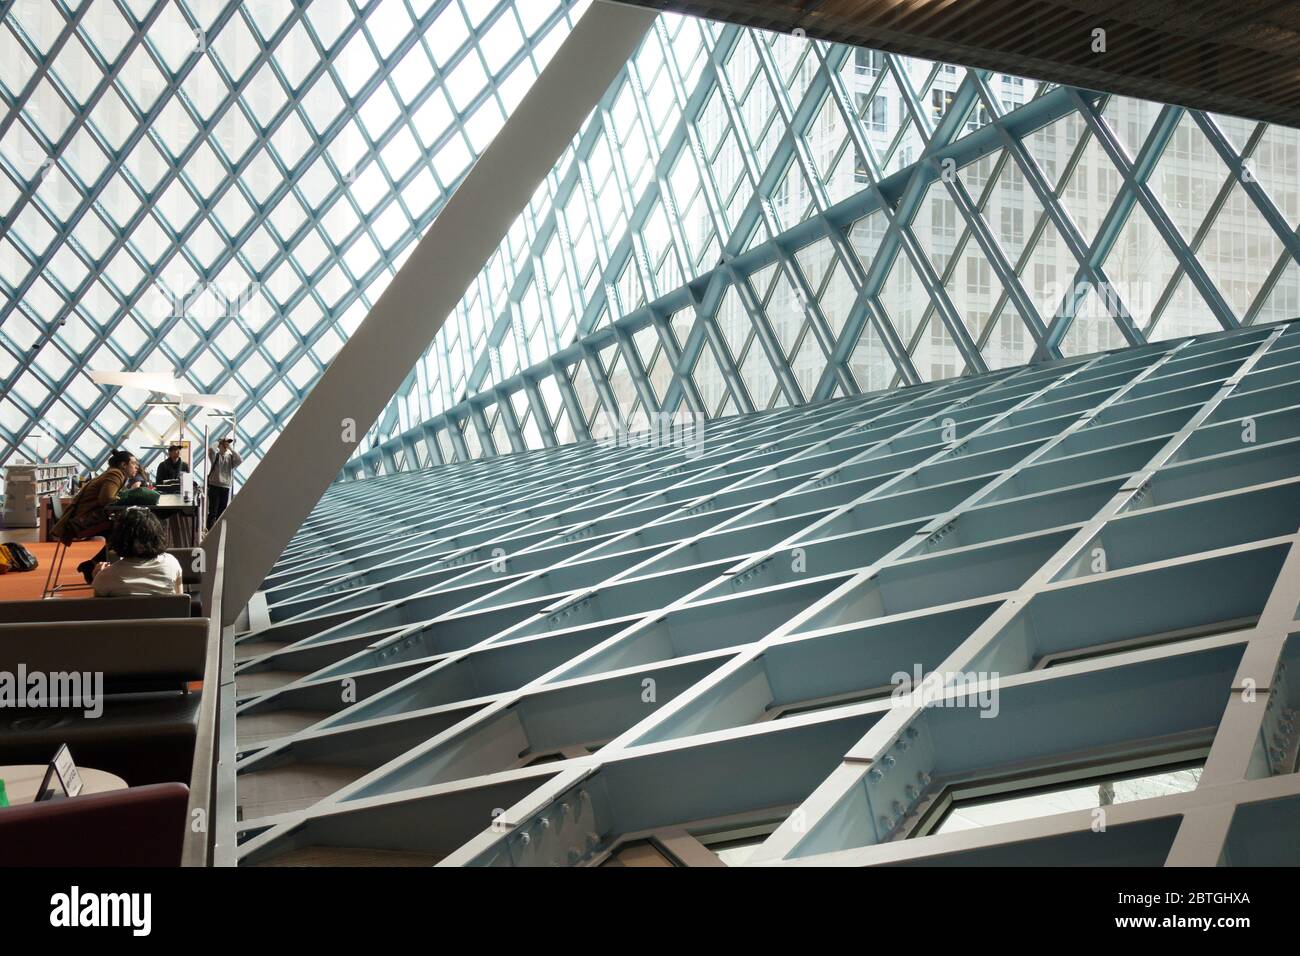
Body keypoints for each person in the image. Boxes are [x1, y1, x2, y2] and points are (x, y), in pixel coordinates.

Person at [50, 450, 138, 584]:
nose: (137, 466)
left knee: (122, 532)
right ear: (123, 465)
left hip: (79, 519)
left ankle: (94, 566)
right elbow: (106, 499)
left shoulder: (112, 473)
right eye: (134, 463)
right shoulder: (116, 474)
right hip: (81, 522)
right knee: (127, 531)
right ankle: (100, 568)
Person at [91, 507, 183, 598]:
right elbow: (180, 602)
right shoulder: (171, 563)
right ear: (156, 536)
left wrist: (98, 577)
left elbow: (99, 610)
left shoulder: (106, 576)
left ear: (119, 538)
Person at [206, 437, 241, 529]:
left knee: (221, 513)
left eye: (228, 443)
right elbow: (210, 449)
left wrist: (230, 448)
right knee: (213, 511)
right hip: (214, 486)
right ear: (220, 445)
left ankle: (217, 532)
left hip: (225, 487)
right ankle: (209, 532)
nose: (226, 445)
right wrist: (218, 441)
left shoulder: (230, 458)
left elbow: (239, 460)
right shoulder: (216, 457)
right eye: (224, 443)